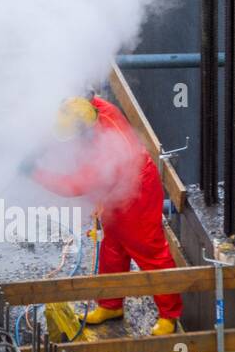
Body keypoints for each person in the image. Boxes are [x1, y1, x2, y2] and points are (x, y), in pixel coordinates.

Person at [31, 95, 182, 336]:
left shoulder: (104, 154)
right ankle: (111, 305)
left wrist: (35, 173)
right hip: (115, 190)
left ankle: (169, 315)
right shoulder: (98, 109)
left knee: (150, 252)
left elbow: (72, 185)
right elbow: (90, 101)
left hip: (137, 192)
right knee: (112, 248)